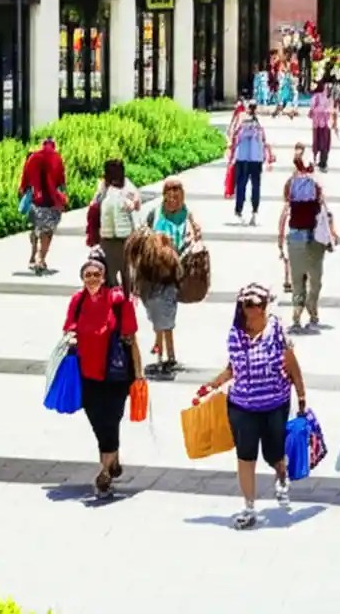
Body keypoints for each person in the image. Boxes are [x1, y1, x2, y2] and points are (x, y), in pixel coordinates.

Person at [196, 283, 309, 529]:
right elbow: (232, 368)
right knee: (245, 456)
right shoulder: (235, 333)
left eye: (256, 304)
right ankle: (249, 507)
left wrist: (301, 398)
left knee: (273, 453)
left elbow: (293, 367)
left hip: (274, 405)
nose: (252, 309)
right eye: (247, 304)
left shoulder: (277, 331)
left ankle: (281, 474)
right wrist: (212, 385)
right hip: (242, 406)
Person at [63, 249, 143, 499]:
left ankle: (104, 473)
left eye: (97, 274)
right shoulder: (77, 301)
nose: (92, 279)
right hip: (87, 374)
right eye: (88, 274)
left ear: (105, 275)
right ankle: (113, 458)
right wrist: (70, 337)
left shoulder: (119, 301)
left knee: (111, 419)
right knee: (98, 422)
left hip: (116, 375)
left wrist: (139, 374)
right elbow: (68, 328)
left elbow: (131, 338)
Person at [134, 177, 200, 377]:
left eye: (176, 196)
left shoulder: (187, 215)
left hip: (173, 273)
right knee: (157, 312)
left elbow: (195, 237)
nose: (172, 200)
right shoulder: (155, 213)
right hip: (153, 272)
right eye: (169, 195)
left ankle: (166, 356)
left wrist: (193, 239)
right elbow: (143, 235)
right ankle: (162, 351)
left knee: (167, 314)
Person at [278, 145, 337, 331]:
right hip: (297, 235)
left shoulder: (315, 183)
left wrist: (331, 232)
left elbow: (324, 208)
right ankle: (297, 311)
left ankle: (311, 308)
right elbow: (286, 205)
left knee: (315, 279)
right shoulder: (292, 183)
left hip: (312, 236)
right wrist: (280, 237)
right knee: (299, 279)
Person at [18, 137, 66, 273]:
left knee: (36, 230)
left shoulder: (33, 158)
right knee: (47, 232)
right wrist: (63, 199)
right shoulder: (56, 158)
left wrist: (23, 193)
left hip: (35, 201)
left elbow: (24, 180)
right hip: (51, 202)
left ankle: (34, 255)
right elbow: (62, 181)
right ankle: (41, 258)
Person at [97, 159, 140, 294]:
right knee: (111, 272)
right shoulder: (104, 185)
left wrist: (131, 204)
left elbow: (137, 202)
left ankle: (125, 299)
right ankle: (115, 297)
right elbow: (96, 202)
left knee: (126, 272)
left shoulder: (127, 185)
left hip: (124, 237)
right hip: (108, 235)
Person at [231, 102, 272, 227]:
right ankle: (246, 211)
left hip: (248, 158)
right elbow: (235, 135)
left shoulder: (252, 120)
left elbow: (235, 134)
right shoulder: (249, 120)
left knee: (247, 185)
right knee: (249, 185)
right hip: (250, 158)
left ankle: (246, 211)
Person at [309, 81, 334, 173]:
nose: (328, 89)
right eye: (327, 87)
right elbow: (313, 109)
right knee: (322, 143)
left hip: (322, 124)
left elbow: (312, 109)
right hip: (321, 124)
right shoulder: (318, 97)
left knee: (321, 143)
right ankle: (320, 162)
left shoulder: (326, 98)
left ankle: (321, 162)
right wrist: (324, 110)